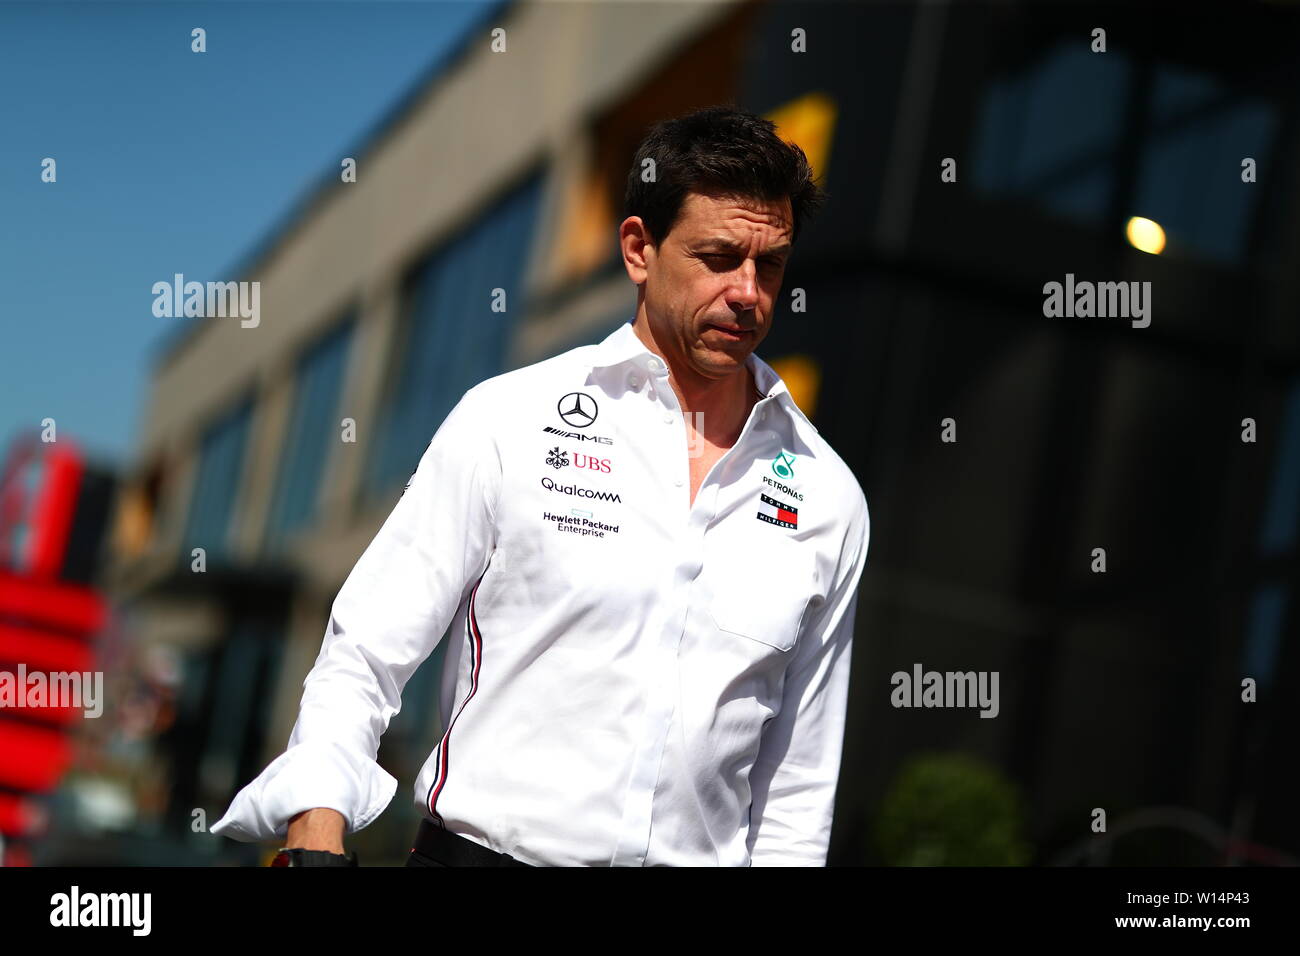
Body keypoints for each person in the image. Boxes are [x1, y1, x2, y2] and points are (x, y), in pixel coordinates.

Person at [211, 104, 870, 867]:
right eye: (718, 257)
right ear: (638, 249)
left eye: (772, 263)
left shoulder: (827, 498)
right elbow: (366, 650)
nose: (749, 292)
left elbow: (797, 786)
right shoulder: (509, 420)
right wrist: (316, 830)